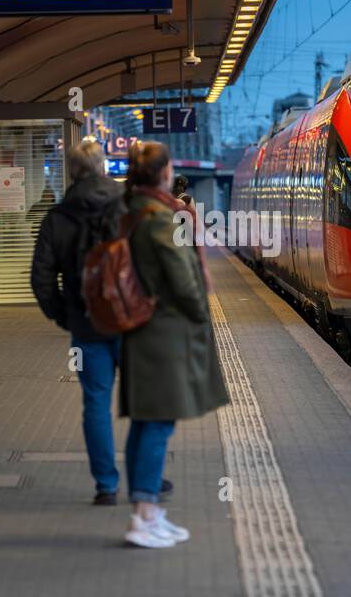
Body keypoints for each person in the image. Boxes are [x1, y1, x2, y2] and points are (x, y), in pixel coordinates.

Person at [118, 142, 229, 548]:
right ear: (162, 174)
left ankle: (147, 512)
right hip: (161, 331)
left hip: (140, 327)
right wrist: (202, 313)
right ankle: (144, 517)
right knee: (159, 421)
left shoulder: (131, 210)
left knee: (145, 420)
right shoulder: (159, 218)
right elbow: (183, 281)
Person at [31, 141, 127, 505]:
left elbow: (40, 277)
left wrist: (63, 314)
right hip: (132, 323)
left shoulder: (58, 216)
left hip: (87, 326)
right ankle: (146, 479)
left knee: (96, 404)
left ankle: (107, 485)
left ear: (71, 172)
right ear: (102, 167)